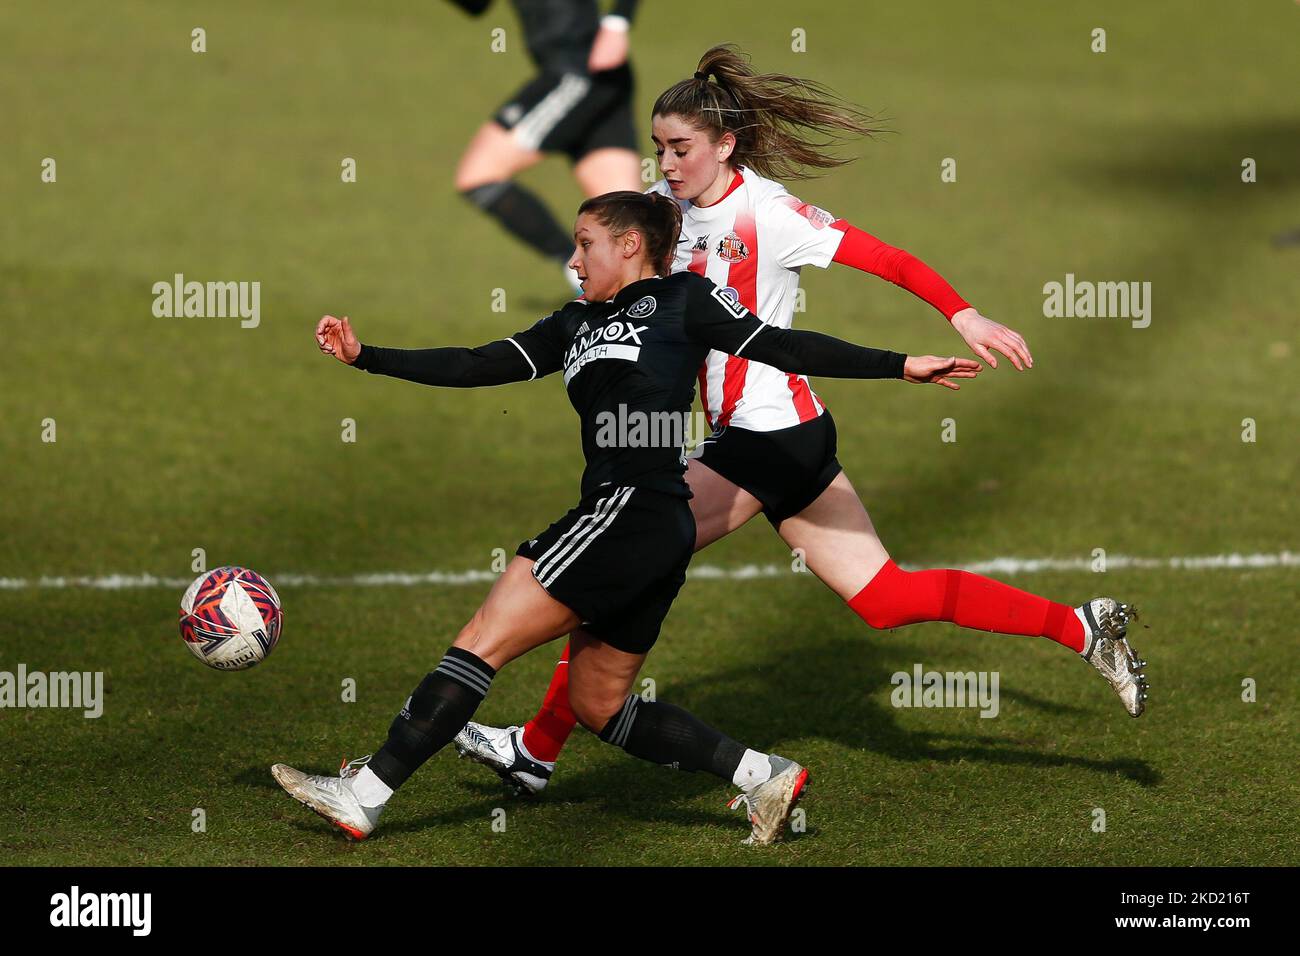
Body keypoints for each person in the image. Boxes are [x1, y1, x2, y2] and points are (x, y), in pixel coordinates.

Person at [455, 45, 1148, 799]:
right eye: (658, 147)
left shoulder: (771, 212)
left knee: (627, 551)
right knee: (885, 598)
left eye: (681, 148)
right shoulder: (665, 210)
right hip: (786, 436)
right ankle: (1083, 627)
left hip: (767, 437)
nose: (667, 162)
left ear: (724, 145)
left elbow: (885, 258)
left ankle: (536, 749)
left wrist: (962, 313)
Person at [271, 190, 980, 844]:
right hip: (648, 525)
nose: (574, 260)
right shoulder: (574, 322)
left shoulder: (684, 300)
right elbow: (479, 363)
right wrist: (367, 358)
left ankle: (363, 794)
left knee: (482, 639)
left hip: (631, 509)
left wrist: (899, 364)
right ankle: (762, 777)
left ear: (632, 244)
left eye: (586, 244)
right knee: (600, 706)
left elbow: (783, 346)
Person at [449, 0, 643, 292]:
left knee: (479, 175)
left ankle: (574, 267)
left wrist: (617, 22)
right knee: (628, 220)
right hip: (592, 77)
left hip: (579, 71)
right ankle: (685, 310)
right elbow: (477, 6)